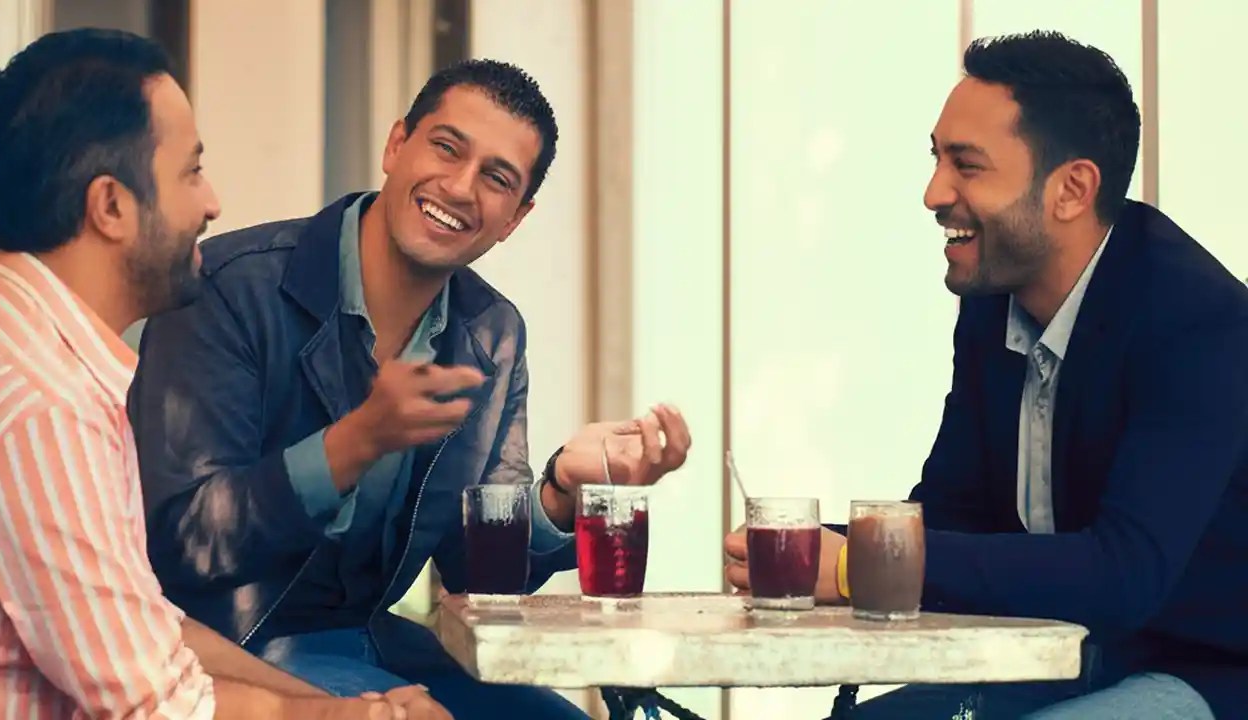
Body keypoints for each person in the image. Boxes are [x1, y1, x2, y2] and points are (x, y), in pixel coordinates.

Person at [127, 58, 691, 719]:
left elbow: (476, 576)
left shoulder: (492, 332)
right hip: (231, 655)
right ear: (397, 145)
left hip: (383, 646)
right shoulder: (231, 289)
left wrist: (564, 491)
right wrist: (354, 442)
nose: (458, 186)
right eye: (446, 148)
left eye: (496, 178)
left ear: (516, 216)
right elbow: (185, 541)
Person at [726, 31, 1247, 719]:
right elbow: (953, 517)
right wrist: (815, 550)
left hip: (1202, 672)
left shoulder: (1198, 320)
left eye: (966, 165)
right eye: (936, 158)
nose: (933, 192)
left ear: (1072, 189)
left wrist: (853, 569)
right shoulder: (994, 304)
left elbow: (1125, 574)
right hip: (1055, 661)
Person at [0, 28, 448, 720]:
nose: (213, 202)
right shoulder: (43, 405)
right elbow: (160, 708)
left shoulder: (17, 344)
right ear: (110, 207)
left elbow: (147, 626)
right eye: (190, 172)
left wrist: (343, 705)